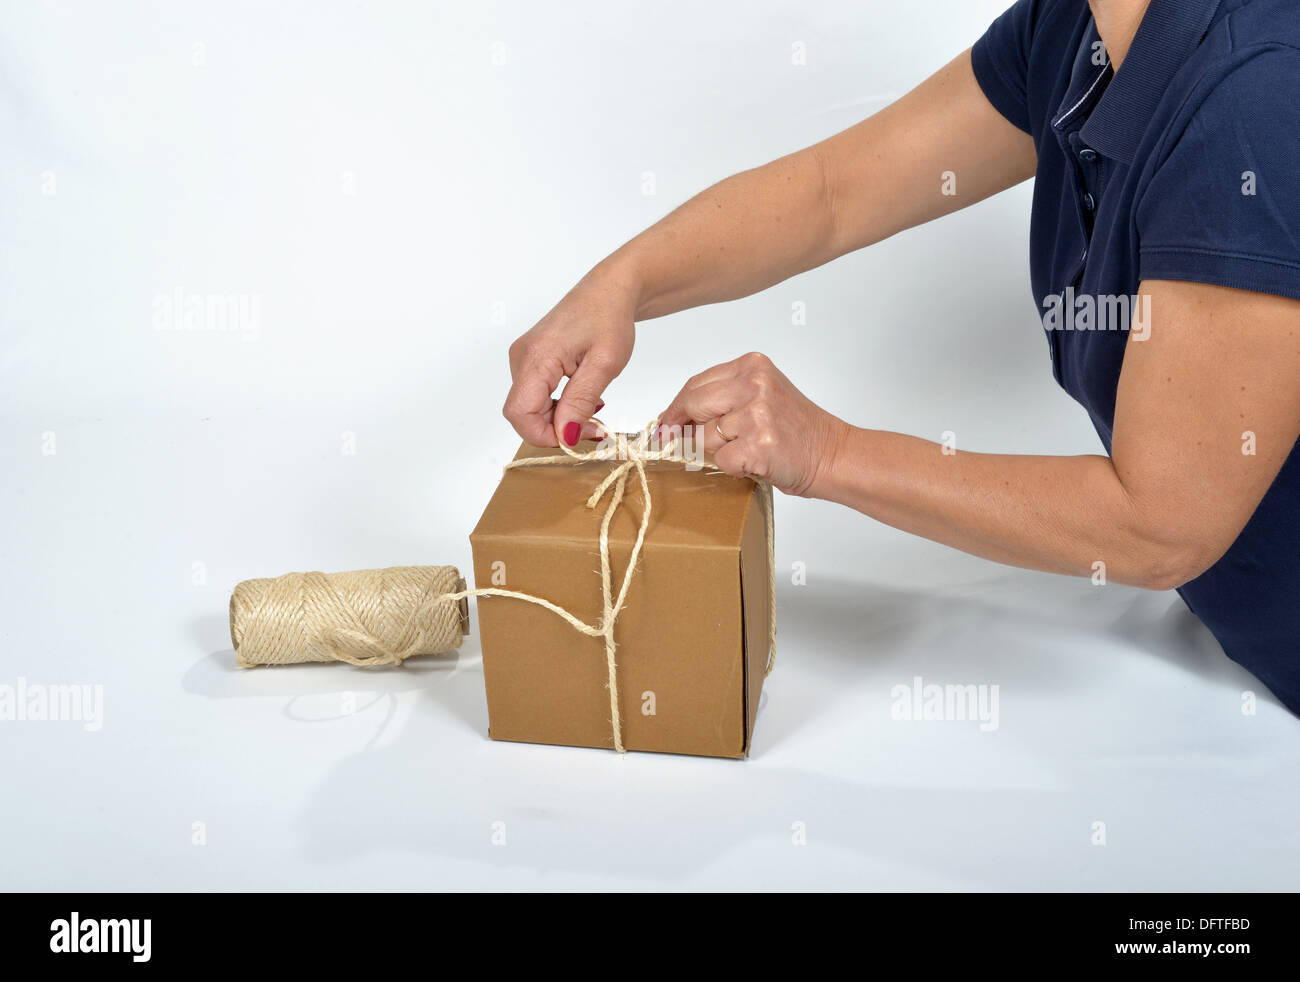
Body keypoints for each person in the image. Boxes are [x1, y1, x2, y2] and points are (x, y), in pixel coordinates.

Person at [502, 0, 1300, 714]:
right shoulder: (1076, 31)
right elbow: (834, 192)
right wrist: (621, 283)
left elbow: (1158, 528)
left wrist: (828, 454)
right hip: (1228, 663)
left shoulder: (1252, 99)